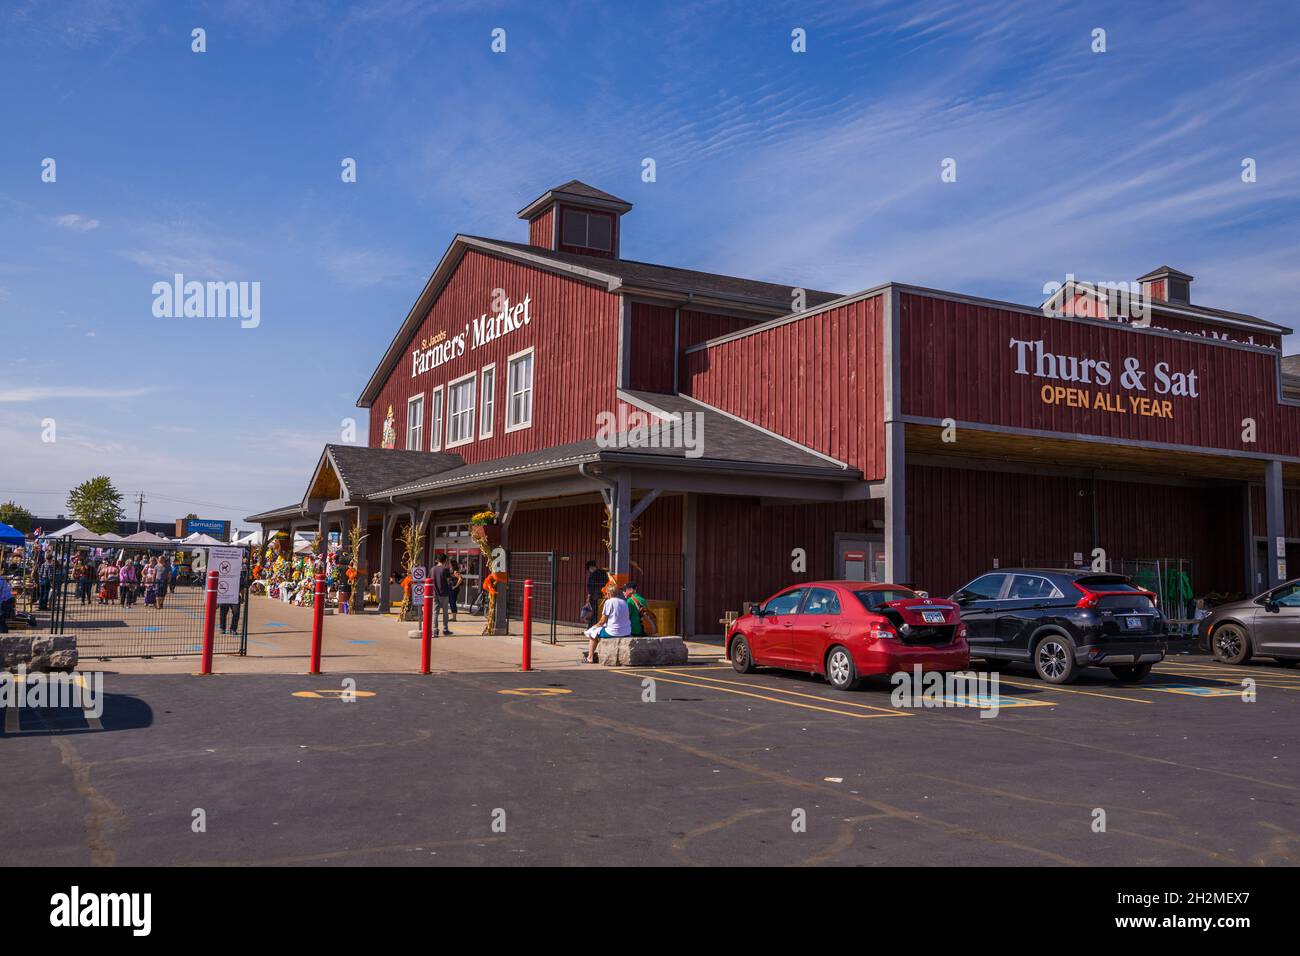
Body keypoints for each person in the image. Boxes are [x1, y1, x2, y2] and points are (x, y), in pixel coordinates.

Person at [584, 581, 632, 664]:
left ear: (609, 593)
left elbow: (602, 621)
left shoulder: (609, 602)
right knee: (597, 630)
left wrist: (593, 627)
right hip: (626, 631)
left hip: (614, 632)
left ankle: (590, 657)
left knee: (593, 634)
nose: (605, 595)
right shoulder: (624, 602)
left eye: (606, 593)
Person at [433, 554, 453, 636]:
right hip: (444, 593)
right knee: (445, 612)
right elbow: (448, 581)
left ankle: (435, 630)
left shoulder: (432, 569)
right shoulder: (445, 569)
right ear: (445, 561)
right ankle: (445, 629)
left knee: (435, 612)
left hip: (435, 593)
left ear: (437, 560)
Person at [584, 560, 608, 627]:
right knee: (601, 612)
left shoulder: (593, 575)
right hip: (603, 596)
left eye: (588, 568)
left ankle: (592, 627)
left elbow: (590, 588)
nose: (589, 570)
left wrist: (588, 597)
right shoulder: (603, 573)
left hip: (595, 596)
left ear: (591, 567)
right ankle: (599, 626)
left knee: (594, 613)